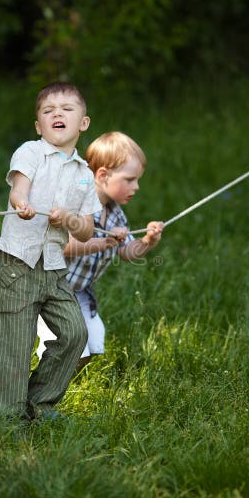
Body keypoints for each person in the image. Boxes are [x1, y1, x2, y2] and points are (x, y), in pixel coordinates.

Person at [0, 82, 102, 422]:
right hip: (17, 262)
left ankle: (38, 404)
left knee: (75, 332)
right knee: (13, 342)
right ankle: (1, 417)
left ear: (83, 123)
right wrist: (23, 204)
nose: (57, 114)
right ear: (39, 126)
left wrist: (72, 219)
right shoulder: (30, 153)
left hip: (53, 266)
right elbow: (19, 190)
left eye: (66, 109)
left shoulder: (84, 175)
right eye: (48, 111)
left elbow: (88, 229)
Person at [35, 131, 164, 371]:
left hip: (80, 291)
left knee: (94, 341)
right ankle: (42, 391)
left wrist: (148, 240)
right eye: (130, 179)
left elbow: (127, 252)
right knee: (69, 344)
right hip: (51, 289)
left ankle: (61, 387)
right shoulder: (77, 205)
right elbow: (61, 246)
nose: (136, 187)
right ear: (103, 175)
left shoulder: (115, 213)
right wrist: (99, 243)